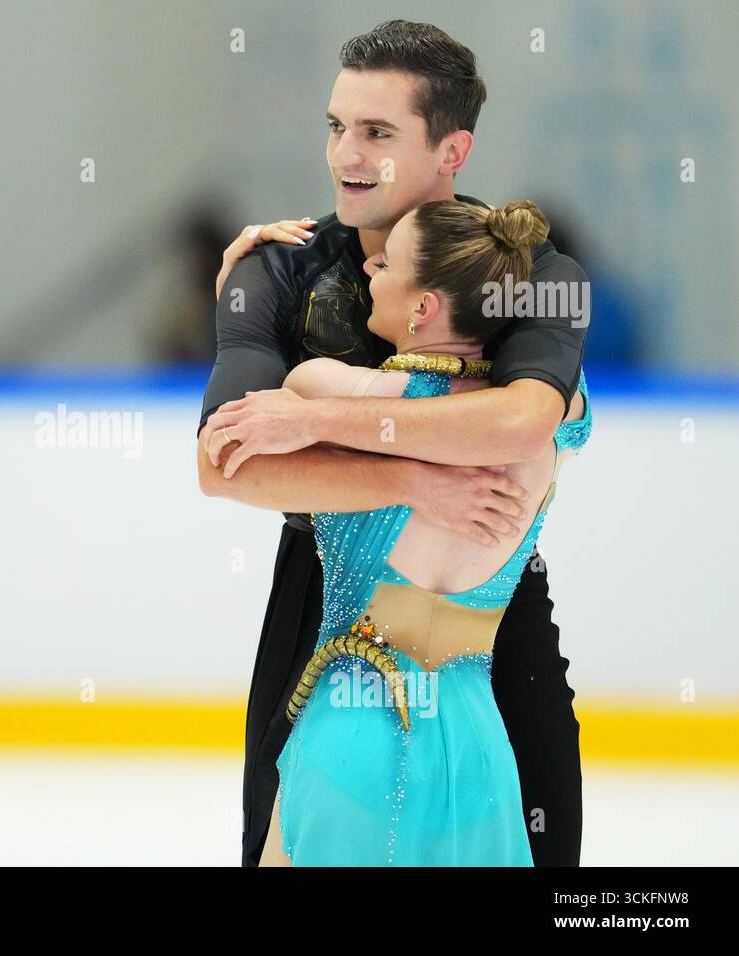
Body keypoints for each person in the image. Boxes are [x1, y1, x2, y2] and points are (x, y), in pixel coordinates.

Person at [195, 20, 590, 866]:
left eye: (378, 133)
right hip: (324, 605)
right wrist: (414, 478)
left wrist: (317, 422)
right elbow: (223, 466)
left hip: (493, 607)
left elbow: (526, 419)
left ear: (452, 150)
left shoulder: (537, 274)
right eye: (337, 127)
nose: (347, 154)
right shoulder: (279, 268)